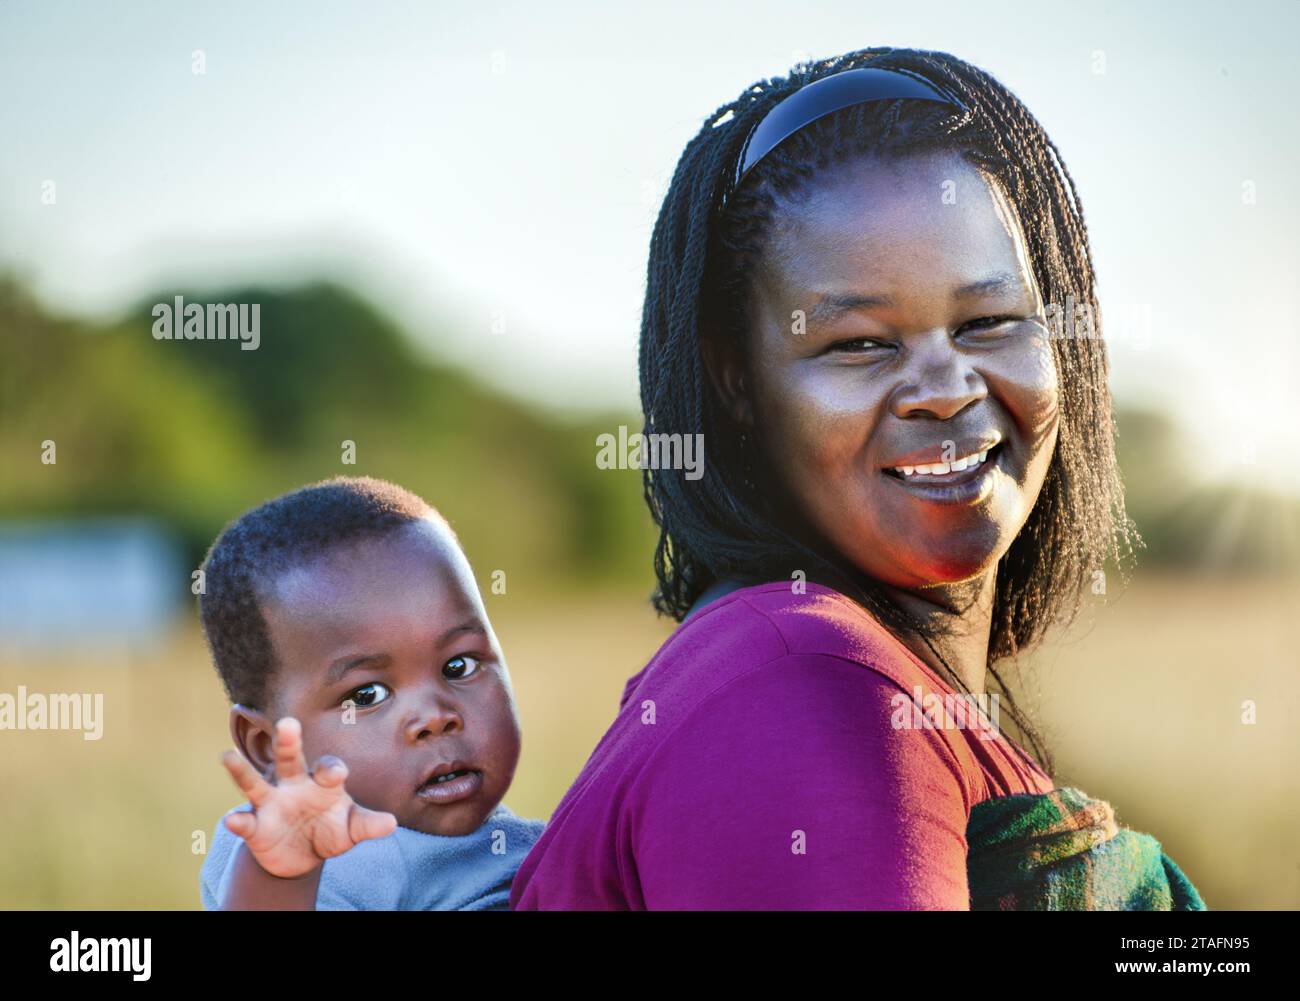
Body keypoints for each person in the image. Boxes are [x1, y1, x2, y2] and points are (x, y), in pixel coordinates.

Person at [510, 48, 1205, 909]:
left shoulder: (842, 674)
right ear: (736, 381)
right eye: (860, 344)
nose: (947, 389)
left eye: (990, 322)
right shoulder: (806, 690)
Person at [196, 476, 544, 909]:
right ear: (266, 746)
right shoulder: (310, 855)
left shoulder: (529, 845)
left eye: (459, 666)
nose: (435, 717)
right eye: (366, 696)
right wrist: (280, 877)